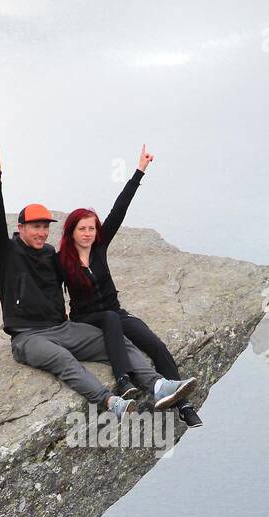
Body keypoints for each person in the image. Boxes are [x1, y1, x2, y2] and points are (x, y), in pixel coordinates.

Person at [0, 143, 160, 417]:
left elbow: (88, 257)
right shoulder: (4, 254)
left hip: (62, 329)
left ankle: (156, 384)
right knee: (64, 361)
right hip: (27, 336)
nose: (41, 232)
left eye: (45, 227)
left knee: (116, 341)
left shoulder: (51, 253)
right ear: (21, 228)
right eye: (35, 227)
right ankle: (111, 401)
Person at [57, 144, 202, 427]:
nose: (88, 233)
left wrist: (139, 171)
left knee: (154, 344)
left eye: (91, 228)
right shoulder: (61, 260)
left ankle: (183, 403)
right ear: (71, 232)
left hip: (114, 312)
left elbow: (119, 209)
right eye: (82, 228)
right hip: (86, 319)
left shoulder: (99, 248)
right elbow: (51, 290)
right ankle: (124, 381)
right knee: (110, 319)